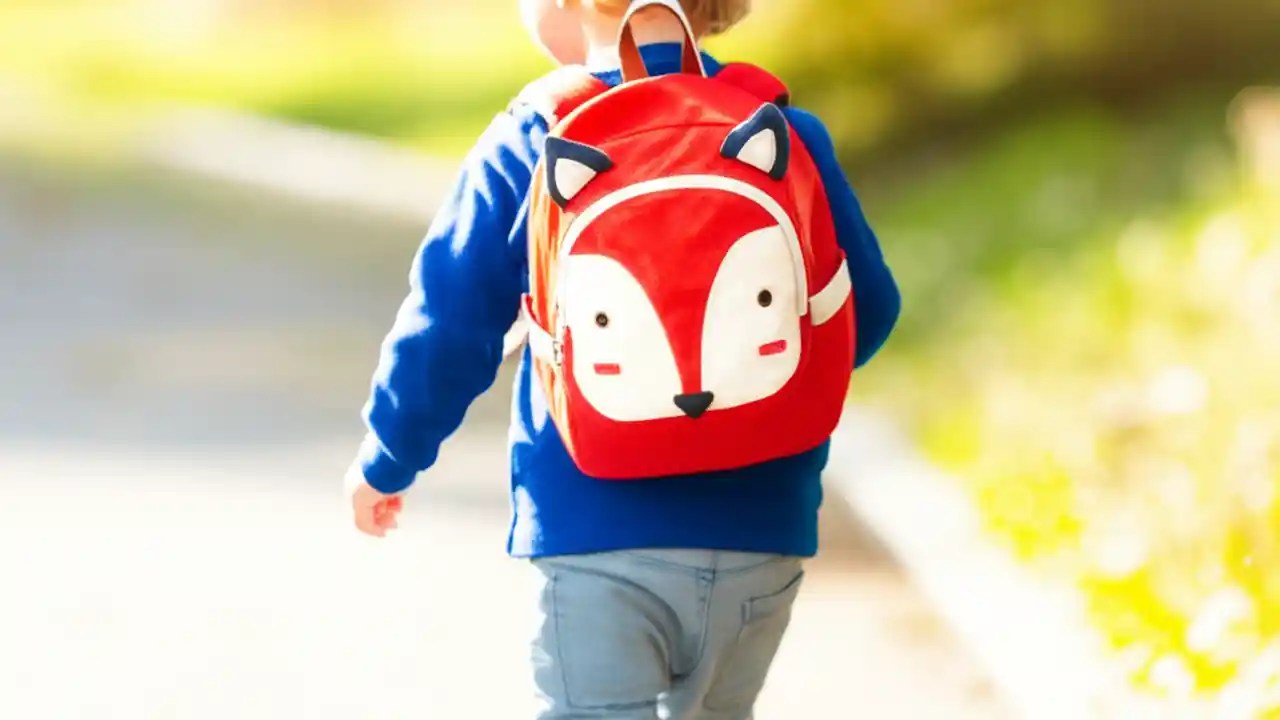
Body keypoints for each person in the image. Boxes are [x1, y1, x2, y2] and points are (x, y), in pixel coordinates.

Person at [345, 1, 901, 717]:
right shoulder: (780, 129)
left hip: (593, 533)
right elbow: (870, 313)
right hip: (765, 534)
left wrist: (388, 454)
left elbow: (448, 321)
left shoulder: (535, 136)